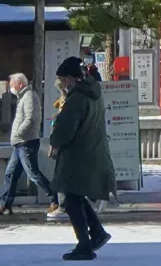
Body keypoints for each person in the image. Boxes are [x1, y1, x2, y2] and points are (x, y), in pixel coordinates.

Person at [50, 57, 114, 261]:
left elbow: (64, 132)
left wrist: (54, 139)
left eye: (62, 79)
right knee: (75, 196)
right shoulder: (93, 94)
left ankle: (85, 244)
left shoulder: (77, 98)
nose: (61, 83)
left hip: (78, 154)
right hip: (92, 151)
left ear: (69, 78)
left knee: (71, 198)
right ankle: (97, 232)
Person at [0, 73, 61, 217]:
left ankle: (55, 200)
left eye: (11, 85)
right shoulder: (23, 97)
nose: (10, 88)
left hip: (26, 142)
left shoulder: (29, 96)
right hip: (20, 143)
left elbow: (31, 118)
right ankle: (4, 205)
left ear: (19, 84)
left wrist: (20, 133)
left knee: (33, 174)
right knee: (11, 173)